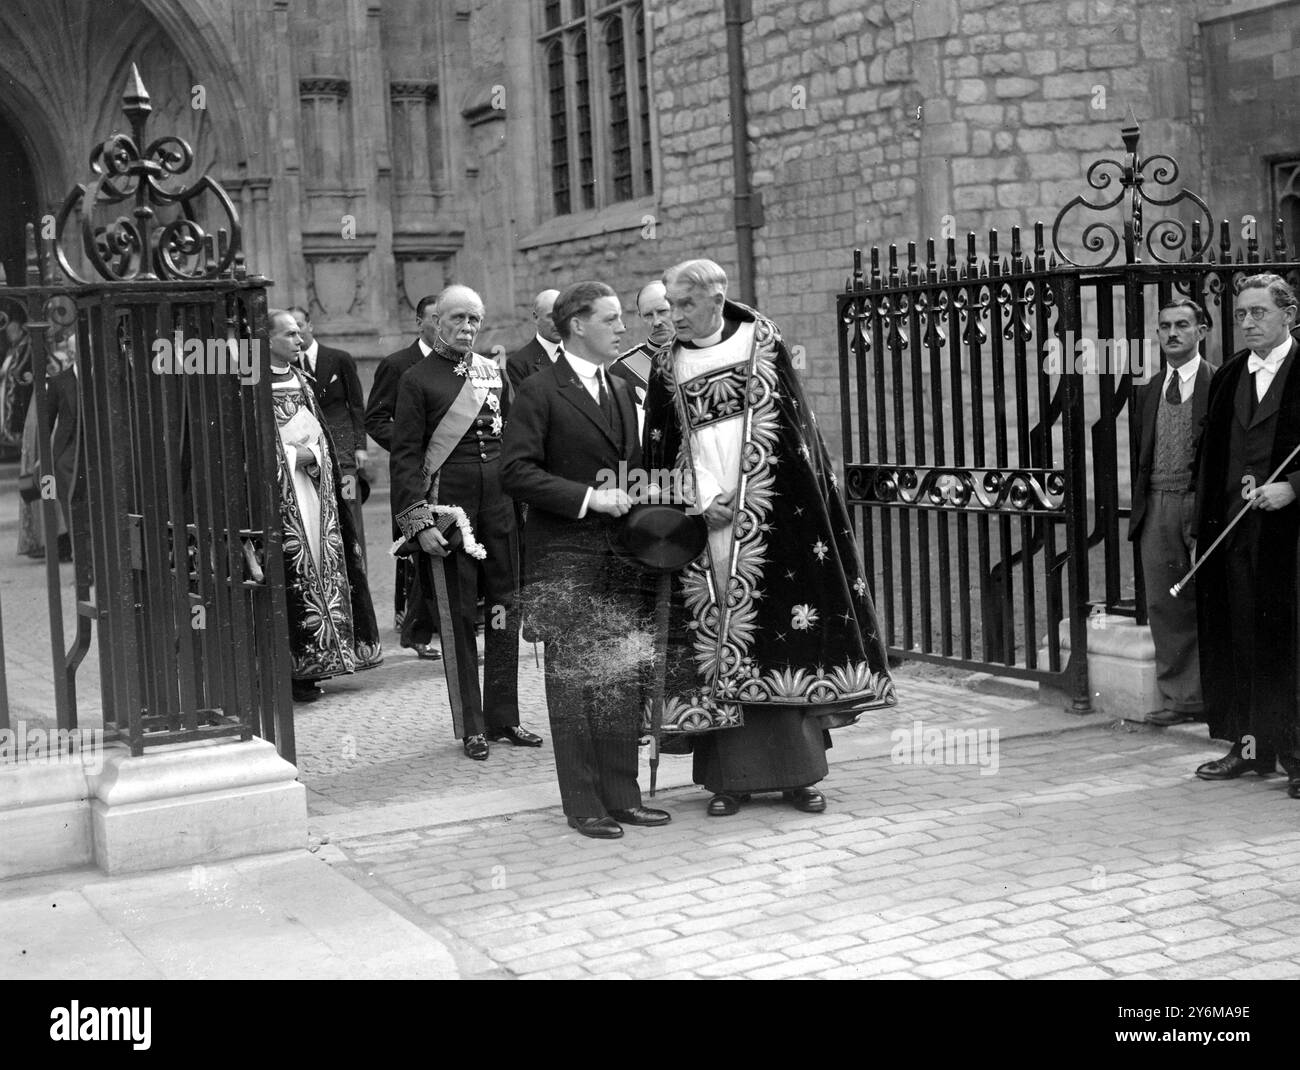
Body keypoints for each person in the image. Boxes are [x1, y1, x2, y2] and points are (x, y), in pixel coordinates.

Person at [642, 258, 896, 817]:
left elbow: (794, 434)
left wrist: (756, 497)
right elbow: (658, 452)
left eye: (685, 305)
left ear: (717, 298)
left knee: (782, 627)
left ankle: (799, 775)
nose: (673, 317)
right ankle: (728, 780)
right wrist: (700, 501)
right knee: (716, 639)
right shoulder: (666, 366)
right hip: (704, 523)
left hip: (778, 518)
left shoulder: (762, 342)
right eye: (669, 305)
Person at [501, 280, 670, 839]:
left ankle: (622, 796)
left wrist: (660, 494)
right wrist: (587, 497)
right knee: (575, 684)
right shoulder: (539, 391)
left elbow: (632, 469)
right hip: (566, 560)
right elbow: (516, 472)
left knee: (621, 675)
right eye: (612, 319)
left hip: (622, 558)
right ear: (578, 324)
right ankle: (583, 803)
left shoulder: (622, 386)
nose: (624, 329)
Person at [389, 284, 538, 760]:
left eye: (474, 319)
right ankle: (470, 724)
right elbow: (407, 457)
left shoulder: (492, 372)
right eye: (457, 318)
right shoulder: (417, 379)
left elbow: (511, 438)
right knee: (456, 619)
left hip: (498, 510)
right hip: (448, 512)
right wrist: (418, 523)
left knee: (502, 611)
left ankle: (504, 717)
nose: (467, 328)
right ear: (436, 322)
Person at [1193, 274, 1300, 797]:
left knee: (1292, 642)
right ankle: (1253, 750)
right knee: (1244, 639)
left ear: (1289, 314)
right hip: (1235, 535)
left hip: (1292, 538)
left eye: (1259, 312)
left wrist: (1295, 488)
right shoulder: (1231, 372)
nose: (1249, 322)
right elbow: (1212, 459)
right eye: (1242, 314)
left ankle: (1299, 758)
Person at [268, 309, 382, 702]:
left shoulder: (301, 379)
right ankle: (294, 667)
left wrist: (313, 455)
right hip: (281, 497)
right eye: (289, 335)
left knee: (324, 564)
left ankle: (327, 656)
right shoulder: (250, 382)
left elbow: (324, 438)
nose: (299, 342)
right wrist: (286, 454)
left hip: (314, 490)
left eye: (299, 334)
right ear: (266, 340)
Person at [1128, 299, 1214, 726]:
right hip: (1157, 505)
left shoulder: (1220, 382)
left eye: (1183, 324)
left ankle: (1219, 697)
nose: (1173, 333)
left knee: (1212, 600)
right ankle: (1182, 701)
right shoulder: (1150, 389)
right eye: (1165, 326)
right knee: (1165, 603)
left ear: (1201, 330)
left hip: (1200, 503)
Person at [363, 295, 440, 658]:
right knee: (419, 547)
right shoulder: (397, 365)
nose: (445, 326)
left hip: (456, 473)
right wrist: (411, 444)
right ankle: (416, 627)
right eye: (436, 318)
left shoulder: (466, 364)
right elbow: (376, 418)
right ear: (419, 322)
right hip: (416, 473)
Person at [290, 305, 368, 555]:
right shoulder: (288, 367)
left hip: (343, 455)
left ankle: (359, 573)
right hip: (311, 456)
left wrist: (360, 446)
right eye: (290, 329)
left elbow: (356, 405)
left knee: (350, 511)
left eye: (299, 326)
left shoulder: (340, 358)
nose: (297, 334)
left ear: (310, 326)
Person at [609, 280, 673, 438]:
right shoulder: (621, 371)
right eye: (648, 315)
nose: (657, 322)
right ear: (639, 317)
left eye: (663, 311)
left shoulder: (701, 354)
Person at [505, 289, 562, 390]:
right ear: (536, 317)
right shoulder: (518, 364)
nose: (558, 322)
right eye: (551, 316)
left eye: (562, 315)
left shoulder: (579, 354)